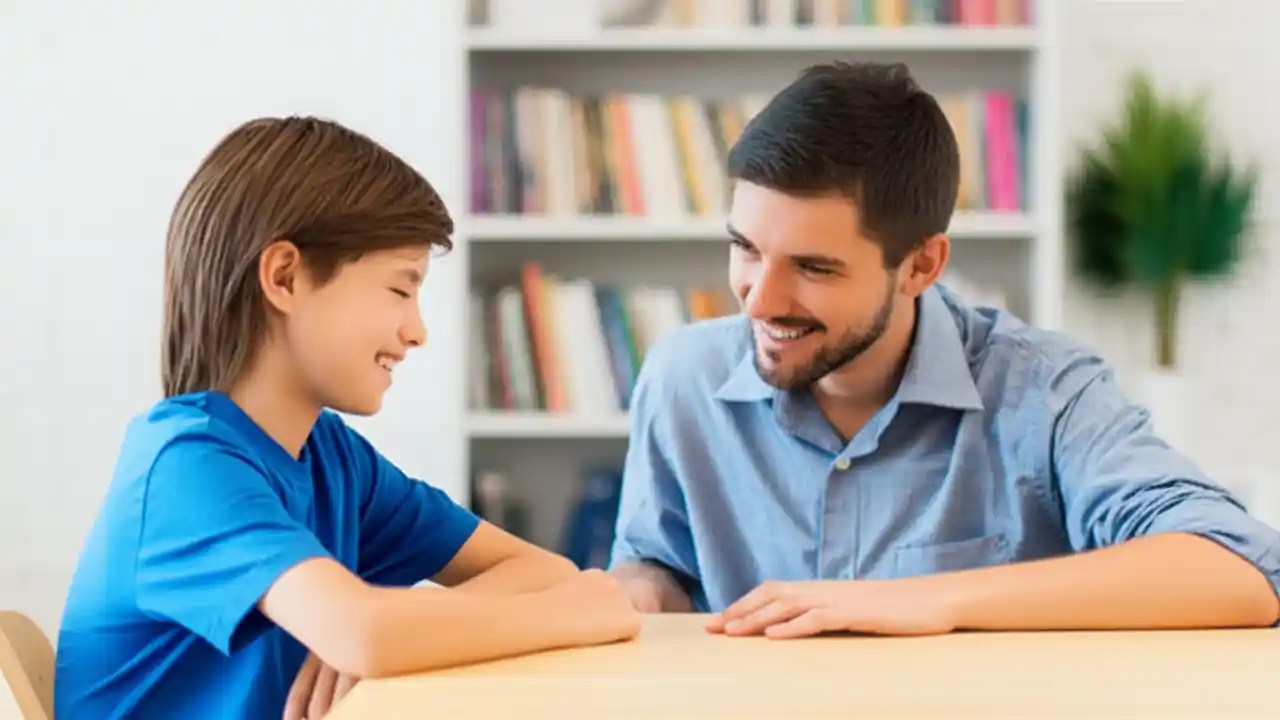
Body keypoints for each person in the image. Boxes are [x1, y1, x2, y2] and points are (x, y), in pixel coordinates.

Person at [608, 61, 1280, 639]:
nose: (758, 299)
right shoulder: (682, 378)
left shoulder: (1042, 391)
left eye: (814, 268)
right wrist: (633, 591)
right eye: (747, 249)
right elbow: (659, 568)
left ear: (922, 266)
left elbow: (1240, 570)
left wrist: (928, 598)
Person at [55, 117, 640, 719]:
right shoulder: (184, 465)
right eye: (399, 290)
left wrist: (386, 631)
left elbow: (540, 569)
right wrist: (574, 612)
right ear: (285, 277)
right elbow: (368, 632)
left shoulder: (330, 455)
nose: (416, 332)